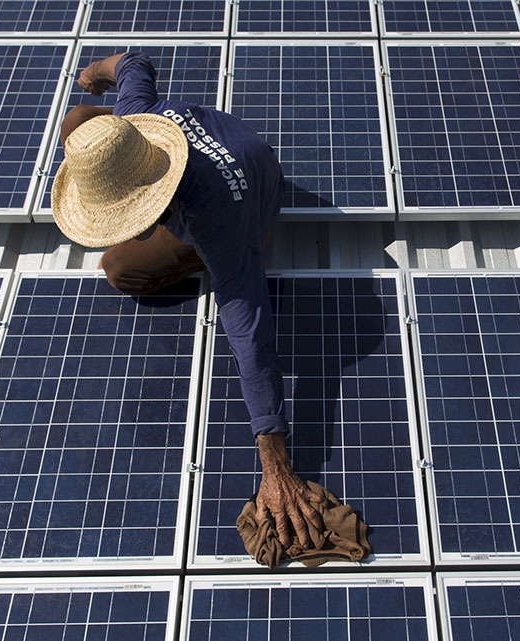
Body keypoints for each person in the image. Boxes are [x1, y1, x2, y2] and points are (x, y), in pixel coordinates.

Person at [52, 51, 324, 551]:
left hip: (250, 210)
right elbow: (133, 63)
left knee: (119, 269)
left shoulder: (210, 219)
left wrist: (274, 460)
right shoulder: (139, 120)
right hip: (242, 150)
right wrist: (95, 74)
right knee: (78, 123)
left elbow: (251, 332)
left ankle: (204, 256)